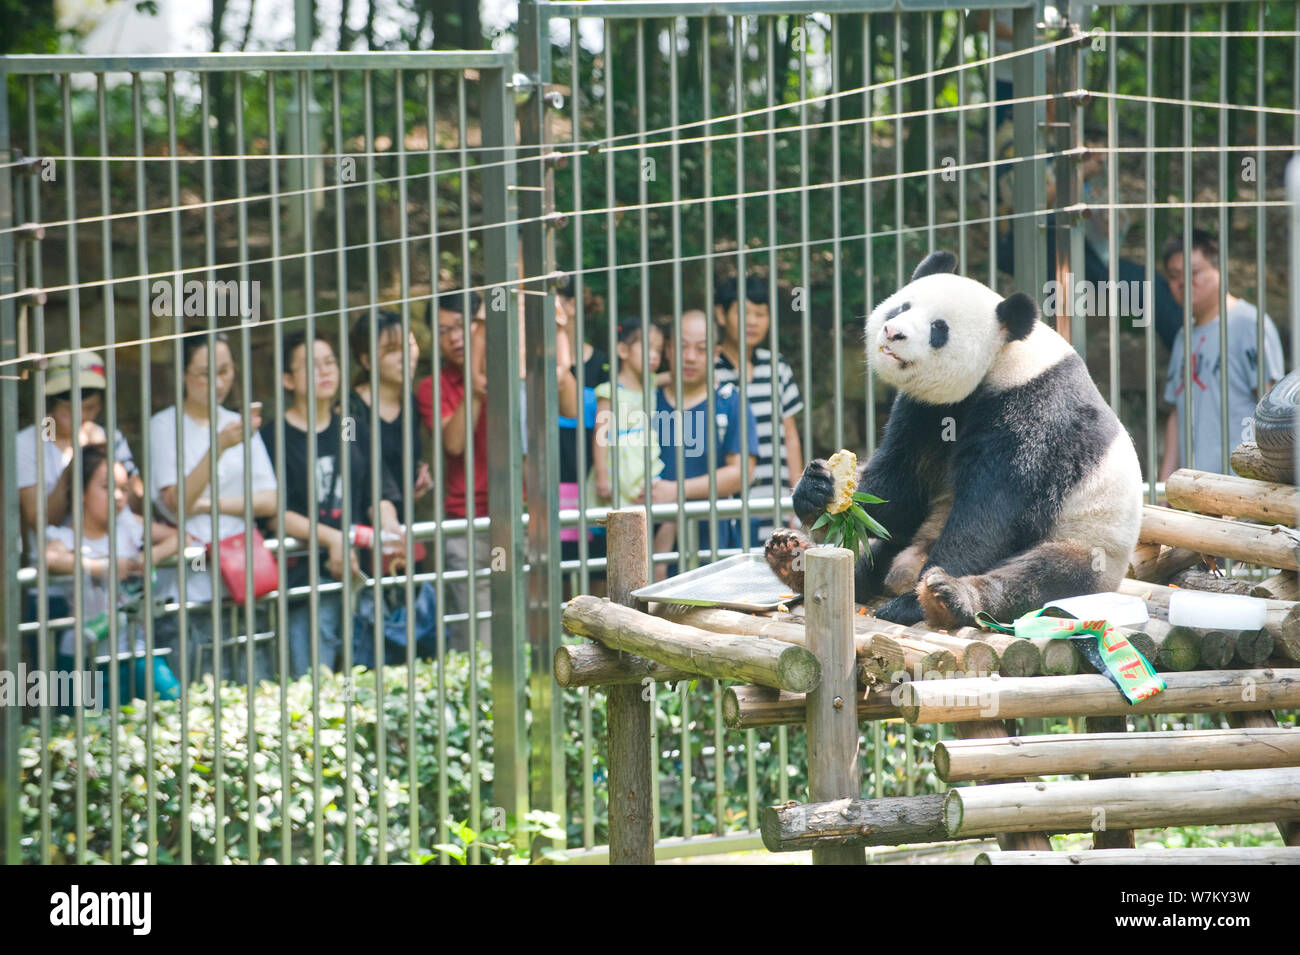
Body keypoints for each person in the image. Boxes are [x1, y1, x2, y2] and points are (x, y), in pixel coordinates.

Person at [261, 331, 403, 678]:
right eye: (311, 365)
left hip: (359, 578)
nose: (325, 372)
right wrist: (331, 538)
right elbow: (274, 516)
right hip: (303, 585)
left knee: (368, 686)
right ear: (287, 379)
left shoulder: (351, 426)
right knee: (311, 687)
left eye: (330, 363)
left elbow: (376, 489)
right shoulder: (273, 436)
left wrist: (389, 520)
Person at [149, 329, 278, 681]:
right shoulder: (163, 426)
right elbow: (177, 503)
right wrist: (218, 447)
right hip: (188, 588)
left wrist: (210, 505)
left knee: (253, 684)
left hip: (241, 578)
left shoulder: (237, 424)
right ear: (184, 375)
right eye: (207, 373)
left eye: (226, 371)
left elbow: (270, 500)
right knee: (195, 688)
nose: (219, 382)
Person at [45, 444, 185, 702]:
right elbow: (50, 559)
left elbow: (182, 538)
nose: (118, 496)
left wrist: (149, 556)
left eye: (123, 489)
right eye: (107, 487)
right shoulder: (64, 537)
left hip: (136, 648)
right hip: (86, 657)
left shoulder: (130, 527)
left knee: (173, 703)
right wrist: (104, 566)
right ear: (81, 492)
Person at [1159, 230, 1285, 480]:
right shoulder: (1183, 336)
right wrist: (1165, 483)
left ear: (1219, 270)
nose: (1183, 282)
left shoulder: (1249, 323)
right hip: (1194, 488)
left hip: (1241, 484)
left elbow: (1272, 408)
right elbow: (1177, 412)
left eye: (1193, 272)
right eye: (1174, 276)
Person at [650, 310, 758, 580]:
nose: (690, 357)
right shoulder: (646, 402)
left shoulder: (731, 402)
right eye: (682, 346)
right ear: (667, 350)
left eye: (701, 349)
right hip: (650, 551)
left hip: (716, 549)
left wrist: (675, 491)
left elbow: (741, 473)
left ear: (715, 353)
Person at [417, 290, 492, 650]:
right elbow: (454, 444)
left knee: (530, 629)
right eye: (444, 330)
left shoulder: (511, 367)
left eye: (463, 326)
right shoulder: (432, 387)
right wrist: (475, 391)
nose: (455, 338)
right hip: (466, 522)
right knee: (476, 636)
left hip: (523, 516)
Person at [16, 351, 143, 557]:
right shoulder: (25, 444)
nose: (82, 416)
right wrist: (78, 458)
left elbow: (136, 505)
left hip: (111, 560)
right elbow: (40, 521)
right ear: (52, 404)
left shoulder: (112, 438)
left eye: (90, 408)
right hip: (56, 570)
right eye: (69, 410)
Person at [712, 274, 804, 547]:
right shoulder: (709, 370)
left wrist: (795, 502)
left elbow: (791, 437)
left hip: (774, 501)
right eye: (744, 312)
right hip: (727, 506)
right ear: (721, 314)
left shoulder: (776, 366)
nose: (752, 321)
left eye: (761, 313)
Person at [350, 310, 432, 523]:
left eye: (410, 345)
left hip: (403, 525)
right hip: (362, 530)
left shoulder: (411, 404)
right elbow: (351, 469)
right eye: (392, 350)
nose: (405, 356)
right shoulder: (349, 411)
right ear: (366, 361)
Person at [555, 278, 610, 580]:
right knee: (562, 578)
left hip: (598, 489)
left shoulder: (605, 362)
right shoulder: (538, 366)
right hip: (556, 488)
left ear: (573, 305)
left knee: (601, 576)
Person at [588, 319, 666, 511]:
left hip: (646, 463)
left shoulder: (651, 383)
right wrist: (601, 475)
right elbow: (601, 435)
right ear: (623, 350)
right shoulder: (609, 392)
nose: (655, 355)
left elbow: (674, 376)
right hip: (619, 467)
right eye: (648, 348)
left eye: (658, 350)